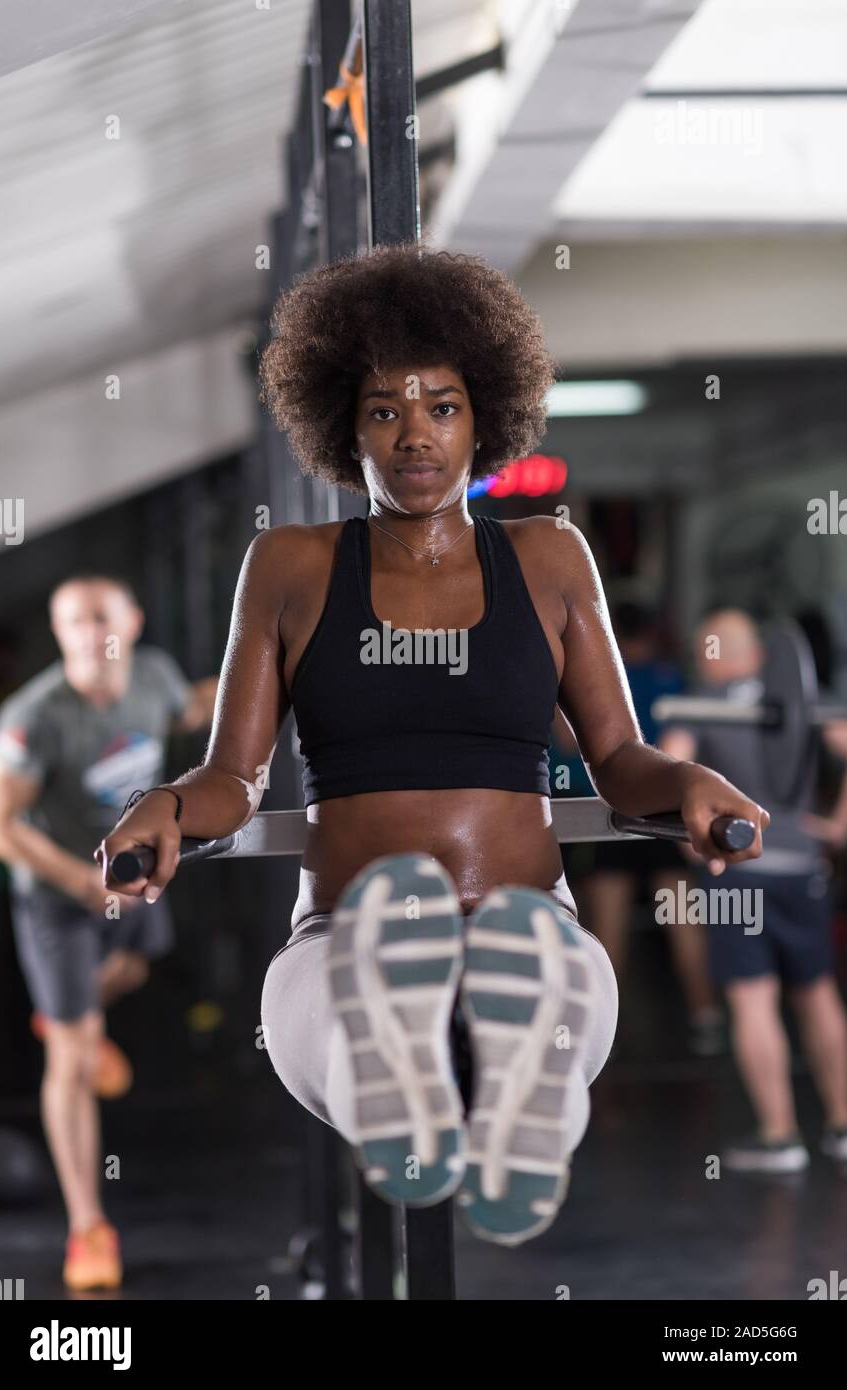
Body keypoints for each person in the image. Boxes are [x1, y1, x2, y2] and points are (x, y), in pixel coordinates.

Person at [95, 244, 766, 1246]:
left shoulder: (549, 557)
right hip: (347, 930)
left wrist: (694, 784)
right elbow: (233, 776)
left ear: (483, 415)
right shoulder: (290, 564)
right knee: (345, 1031)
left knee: (560, 1012)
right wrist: (167, 807)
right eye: (384, 410)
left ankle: (506, 1094)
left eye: (442, 406)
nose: (415, 435)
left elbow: (620, 756)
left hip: (523, 917)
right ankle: (405, 1076)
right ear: (343, 426)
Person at [0, 574, 217, 1289]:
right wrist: (78, 881)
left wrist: (286, 664)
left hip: (133, 878)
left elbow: (192, 708)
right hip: (59, 894)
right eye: (73, 621)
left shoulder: (153, 676)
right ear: (58, 633)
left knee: (137, 971)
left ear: (132, 621)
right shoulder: (34, 716)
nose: (88, 633)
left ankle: (69, 1018)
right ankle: (88, 1227)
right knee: (76, 1064)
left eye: (100, 618)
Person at [660, 608, 847, 1173]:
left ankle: (780, 1136)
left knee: (752, 999)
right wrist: (839, 827)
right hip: (800, 867)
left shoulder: (699, 706)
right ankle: (841, 1127)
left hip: (739, 872)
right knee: (816, 996)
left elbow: (666, 769)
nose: (704, 659)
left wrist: (689, 844)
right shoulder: (805, 702)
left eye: (707, 648)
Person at [577, 602, 726, 1057]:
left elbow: (569, 742)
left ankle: (605, 1035)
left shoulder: (597, 683)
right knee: (682, 920)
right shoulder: (673, 680)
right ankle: (707, 1019)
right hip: (664, 812)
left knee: (608, 929)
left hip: (613, 809)